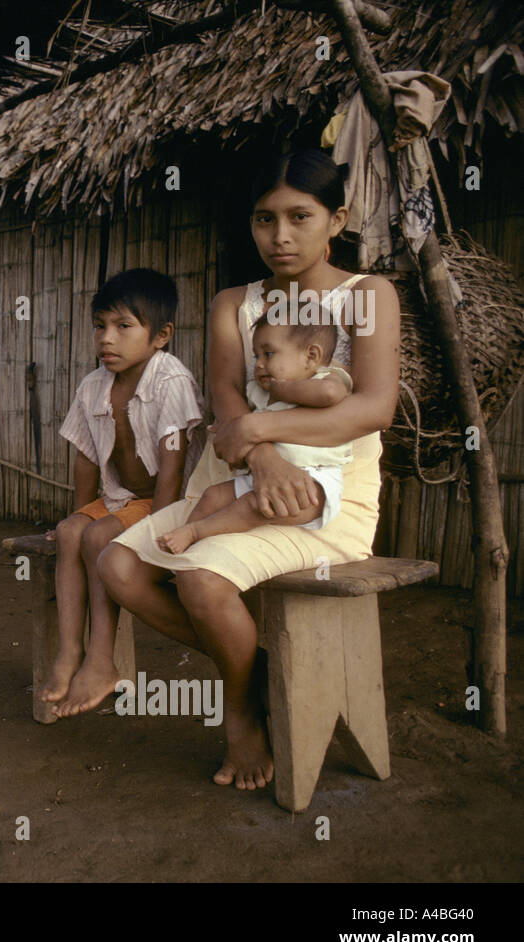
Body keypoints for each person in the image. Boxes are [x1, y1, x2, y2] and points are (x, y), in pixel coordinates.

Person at [98, 148, 400, 791]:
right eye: (265, 220)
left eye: (300, 217)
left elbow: (374, 406)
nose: (281, 236)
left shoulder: (366, 296)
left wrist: (261, 429)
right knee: (118, 566)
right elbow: (226, 398)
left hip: (329, 496)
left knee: (204, 582)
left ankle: (238, 710)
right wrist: (258, 457)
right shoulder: (235, 302)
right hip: (232, 485)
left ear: (337, 219)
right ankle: (255, 671)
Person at [36, 269, 203, 718]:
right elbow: (85, 458)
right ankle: (70, 651)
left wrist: (157, 528)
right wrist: (79, 514)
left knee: (95, 539)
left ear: (161, 335)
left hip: (169, 504)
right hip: (120, 499)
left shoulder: (171, 381)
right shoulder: (93, 386)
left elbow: (173, 466)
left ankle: (101, 658)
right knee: (73, 532)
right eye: (99, 326)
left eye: (123, 326)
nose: (107, 338)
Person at [157, 306, 352, 553]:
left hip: (314, 484)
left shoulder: (326, 378)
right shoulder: (257, 392)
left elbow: (330, 394)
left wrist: (282, 389)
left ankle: (196, 532)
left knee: (254, 505)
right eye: (256, 355)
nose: (258, 365)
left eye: (268, 354)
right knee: (212, 496)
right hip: (259, 477)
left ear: (311, 356)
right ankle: (187, 550)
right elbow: (238, 425)